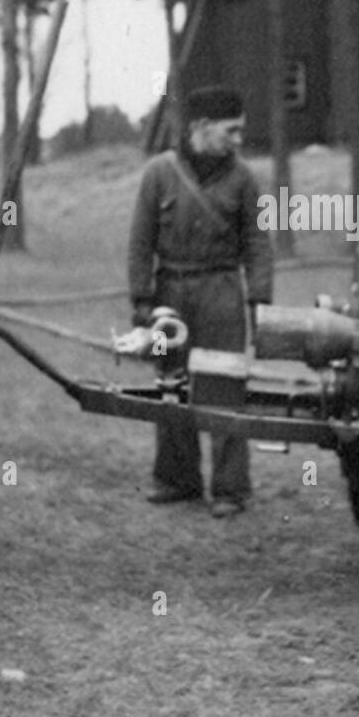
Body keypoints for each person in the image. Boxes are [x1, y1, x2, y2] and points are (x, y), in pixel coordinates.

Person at [127, 85, 273, 518]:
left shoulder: (244, 179)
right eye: (231, 131)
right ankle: (177, 480)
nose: (238, 140)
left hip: (222, 294)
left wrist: (259, 304)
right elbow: (140, 242)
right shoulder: (158, 174)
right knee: (170, 387)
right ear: (201, 127)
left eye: (241, 132)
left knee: (225, 388)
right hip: (169, 294)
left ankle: (230, 489)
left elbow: (258, 244)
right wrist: (141, 300)